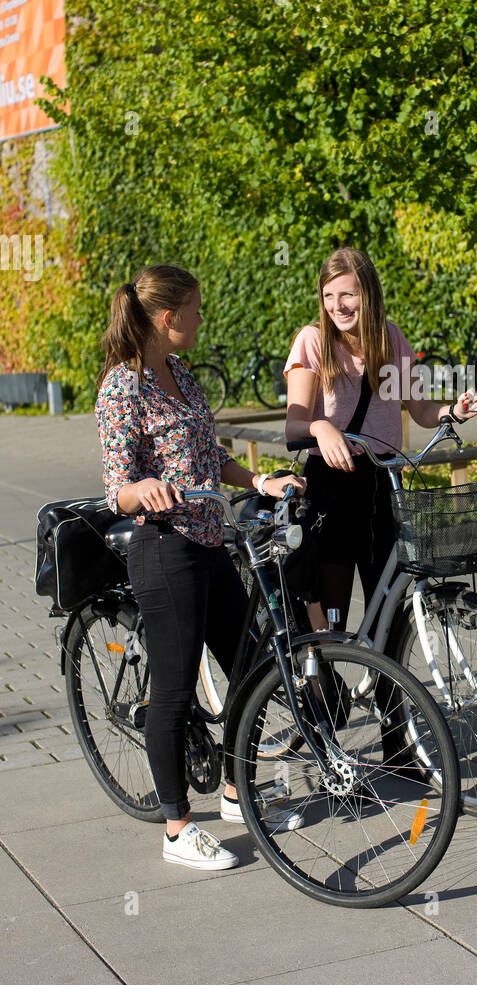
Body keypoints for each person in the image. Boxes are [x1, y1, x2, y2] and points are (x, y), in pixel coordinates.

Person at [95, 265, 306, 871]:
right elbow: (116, 488)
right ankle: (177, 829)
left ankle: (239, 793)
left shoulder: (181, 373)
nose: (200, 318)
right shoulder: (122, 389)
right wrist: (146, 487)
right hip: (163, 549)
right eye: (195, 310)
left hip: (212, 543)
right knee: (174, 688)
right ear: (167, 319)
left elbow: (207, 452)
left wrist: (259, 478)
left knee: (250, 667)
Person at [283, 247, 477, 637]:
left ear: (369, 294)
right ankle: (323, 693)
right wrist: (321, 428)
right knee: (330, 620)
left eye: (348, 295)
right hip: (331, 484)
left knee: (390, 609)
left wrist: (453, 411)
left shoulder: (390, 339)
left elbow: (422, 411)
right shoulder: (312, 341)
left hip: (384, 484)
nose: (337, 306)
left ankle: (387, 696)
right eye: (328, 296)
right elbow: (294, 425)